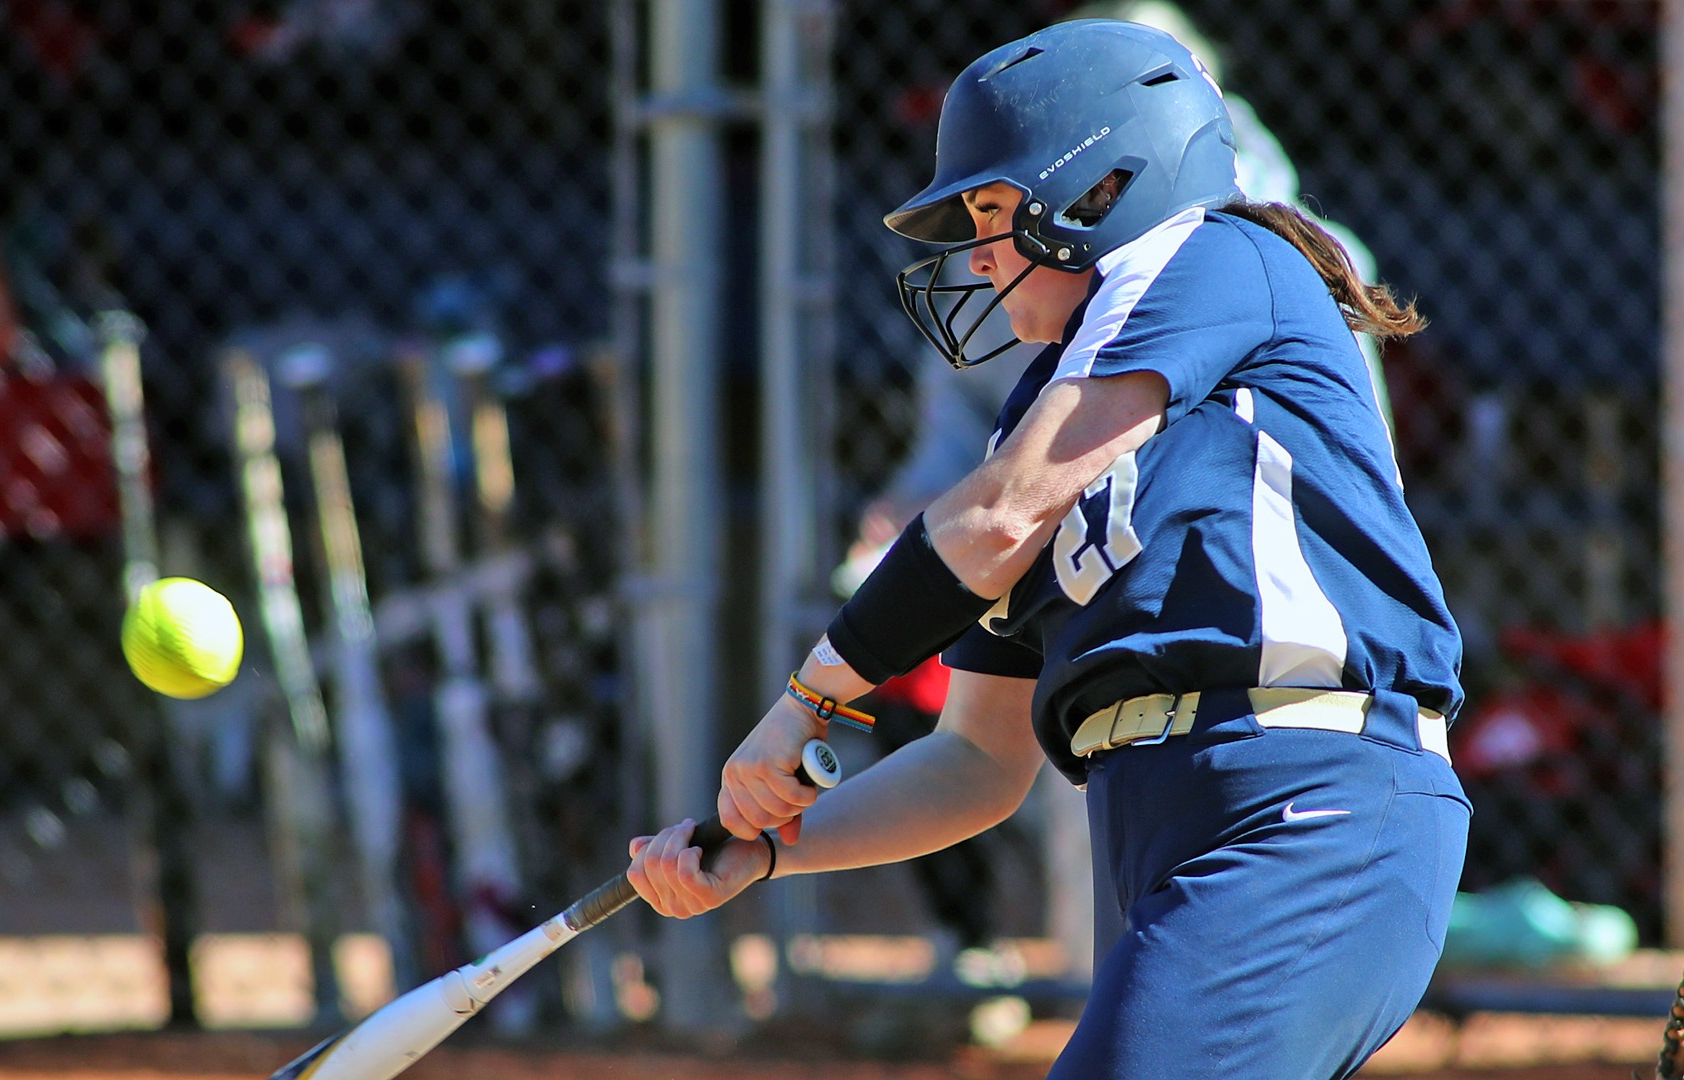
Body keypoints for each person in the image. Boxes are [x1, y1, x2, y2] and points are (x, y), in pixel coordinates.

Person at [627, 19, 1468, 1079]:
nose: (976, 254)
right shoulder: (1052, 417)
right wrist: (763, 849)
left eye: (993, 210)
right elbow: (976, 761)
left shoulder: (1214, 253)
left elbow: (994, 518)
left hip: (1307, 804)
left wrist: (809, 700)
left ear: (1106, 189)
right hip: (1186, 831)